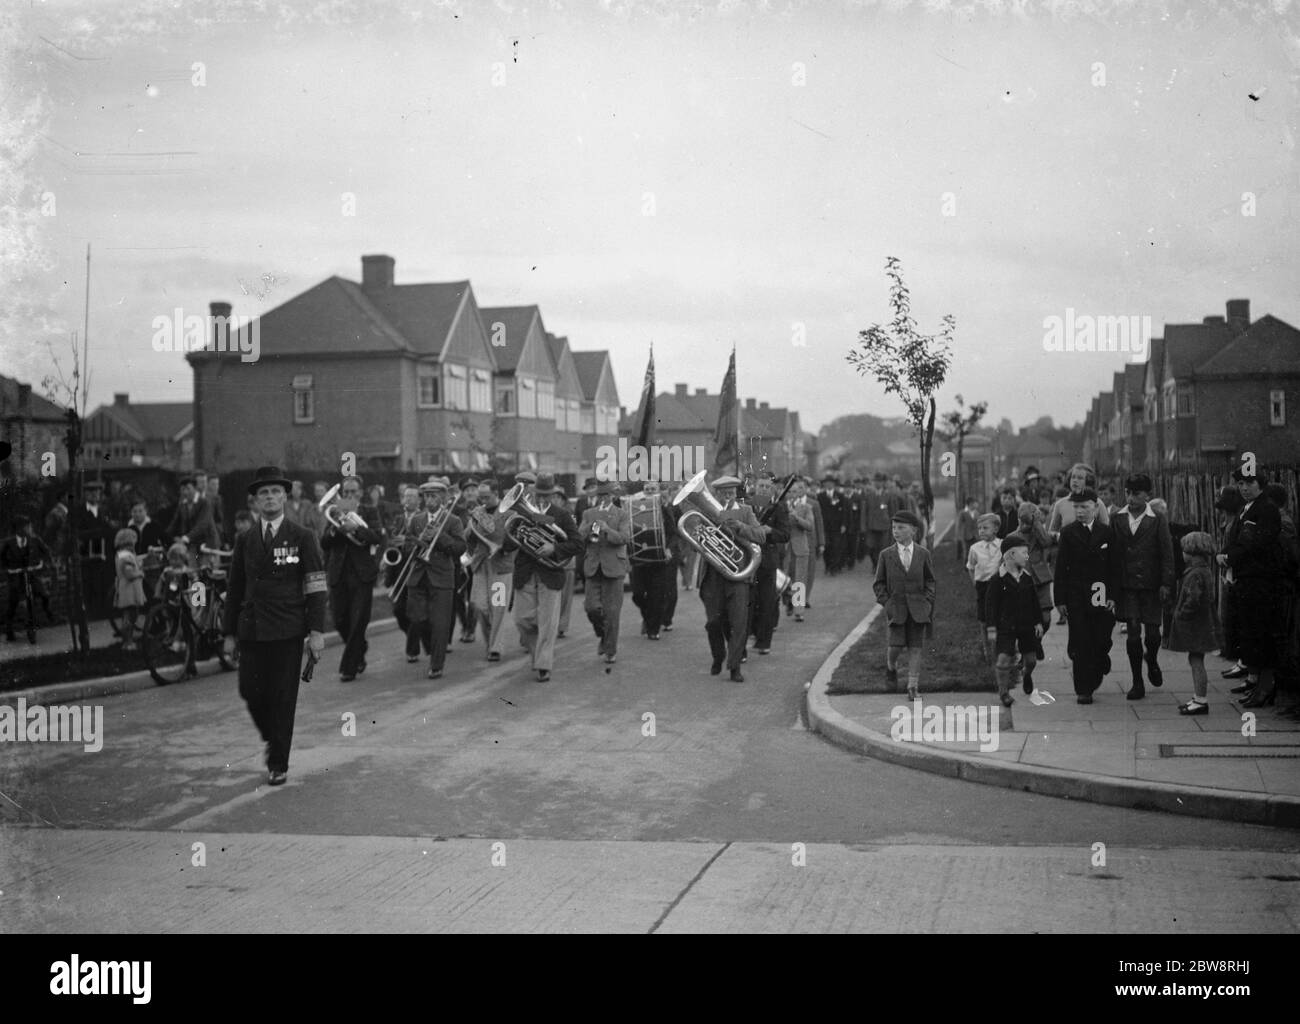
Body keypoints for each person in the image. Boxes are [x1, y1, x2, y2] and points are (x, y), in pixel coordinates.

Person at [221, 466, 328, 787]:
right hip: (252, 629)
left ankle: (278, 761)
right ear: (255, 501)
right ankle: (272, 735)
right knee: (249, 691)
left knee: (283, 698)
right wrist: (228, 633)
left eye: (275, 492)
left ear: (285, 496)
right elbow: (235, 586)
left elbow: (316, 586)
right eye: (263, 493)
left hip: (287, 629)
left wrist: (317, 631)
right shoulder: (245, 540)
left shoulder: (302, 537)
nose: (270, 498)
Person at [1218, 468, 1283, 708]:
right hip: (1248, 580)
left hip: (1261, 581)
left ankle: (1266, 687)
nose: (1244, 488)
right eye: (1241, 484)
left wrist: (1227, 557)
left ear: (1261, 483)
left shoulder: (1265, 509)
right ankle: (1258, 685)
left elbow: (1256, 543)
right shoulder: (1249, 508)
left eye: (1249, 483)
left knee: (1261, 634)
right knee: (1251, 633)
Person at [510, 473, 583, 682]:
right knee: (522, 620)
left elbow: (578, 544)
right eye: (539, 494)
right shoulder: (522, 513)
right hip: (525, 573)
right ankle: (538, 656)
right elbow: (507, 543)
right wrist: (515, 529)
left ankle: (544, 665)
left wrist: (554, 547)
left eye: (546, 495)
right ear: (533, 493)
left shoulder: (562, 515)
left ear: (552, 494)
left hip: (550, 574)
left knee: (548, 623)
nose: (542, 499)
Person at [1053, 487, 1120, 704]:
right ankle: (1084, 689)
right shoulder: (1069, 532)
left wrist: (1113, 595)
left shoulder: (1106, 532)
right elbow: (1061, 567)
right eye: (1076, 507)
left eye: (1085, 506)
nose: (1080, 511)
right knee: (1081, 639)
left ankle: (1101, 657)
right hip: (1076, 593)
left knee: (1100, 634)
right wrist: (1060, 600)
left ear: (1095, 506)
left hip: (1099, 591)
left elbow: (1114, 566)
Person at [1112, 473, 1175, 700]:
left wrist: (1166, 582)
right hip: (1127, 586)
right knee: (1132, 634)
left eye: (1136, 494)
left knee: (1152, 635)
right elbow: (1111, 553)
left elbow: (1167, 553)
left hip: (1151, 585)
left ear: (1147, 495)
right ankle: (1137, 681)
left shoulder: (1157, 519)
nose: (1130, 498)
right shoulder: (1116, 518)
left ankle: (1153, 659)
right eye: (1127, 493)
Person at [697, 475, 765, 682]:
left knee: (739, 623)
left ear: (736, 492)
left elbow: (761, 536)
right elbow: (696, 537)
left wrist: (740, 528)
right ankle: (718, 656)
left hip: (738, 575)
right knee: (713, 623)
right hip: (714, 576)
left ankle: (735, 667)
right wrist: (703, 534)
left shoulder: (745, 511)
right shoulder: (706, 512)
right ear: (716, 493)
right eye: (724, 492)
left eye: (731, 492)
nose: (728, 495)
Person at [401, 478, 466, 680]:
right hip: (419, 576)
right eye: (427, 496)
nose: (429, 500)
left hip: (442, 577)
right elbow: (407, 547)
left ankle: (436, 665)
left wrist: (440, 536)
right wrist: (419, 544)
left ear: (443, 498)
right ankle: (430, 649)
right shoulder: (417, 520)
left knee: (440, 623)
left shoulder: (453, 521)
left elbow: (460, 548)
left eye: (434, 496)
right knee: (417, 618)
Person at [320, 476, 383, 682]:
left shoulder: (369, 510)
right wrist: (336, 529)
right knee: (339, 619)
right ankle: (359, 649)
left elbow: (377, 537)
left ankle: (349, 668)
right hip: (338, 572)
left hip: (362, 573)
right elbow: (324, 542)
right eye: (345, 492)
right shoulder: (335, 511)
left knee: (358, 621)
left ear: (361, 492)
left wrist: (355, 528)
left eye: (352, 491)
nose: (348, 495)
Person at [872, 509, 936, 701]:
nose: (896, 531)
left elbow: (930, 580)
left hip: (918, 609)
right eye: (893, 528)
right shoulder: (886, 555)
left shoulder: (923, 554)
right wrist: (887, 603)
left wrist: (927, 600)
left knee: (916, 647)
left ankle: (912, 686)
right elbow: (879, 583)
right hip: (896, 608)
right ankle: (891, 666)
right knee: (896, 645)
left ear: (913, 530)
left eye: (901, 528)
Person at [1168, 531, 1222, 716]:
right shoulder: (1203, 570)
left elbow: (1193, 598)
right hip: (1202, 622)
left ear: (1191, 553)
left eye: (1184, 551)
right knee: (1195, 659)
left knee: (1196, 660)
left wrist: (1182, 614)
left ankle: (1201, 699)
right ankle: (1198, 697)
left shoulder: (1194, 574)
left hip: (1196, 624)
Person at [983, 532, 1041, 706]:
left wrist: (1038, 622)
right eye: (1024, 553)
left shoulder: (1027, 577)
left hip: (1026, 625)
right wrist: (991, 628)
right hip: (1005, 626)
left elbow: (1034, 602)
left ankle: (1026, 673)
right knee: (1003, 660)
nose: (1027, 556)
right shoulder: (997, 579)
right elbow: (990, 606)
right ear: (1011, 554)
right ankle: (1004, 693)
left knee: (1031, 660)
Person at [579, 480, 631, 665]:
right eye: (599, 495)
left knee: (612, 612)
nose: (602, 498)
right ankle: (603, 635)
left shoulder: (621, 514)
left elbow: (625, 538)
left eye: (606, 495)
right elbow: (580, 537)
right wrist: (590, 525)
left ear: (612, 497)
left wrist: (607, 529)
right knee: (591, 607)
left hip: (614, 568)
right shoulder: (589, 513)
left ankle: (610, 650)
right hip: (593, 567)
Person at [465, 480, 514, 662]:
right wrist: (470, 531)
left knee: (498, 608)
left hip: (501, 567)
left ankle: (495, 648)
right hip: (480, 566)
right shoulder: (477, 513)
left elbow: (498, 535)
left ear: (496, 493)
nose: (483, 501)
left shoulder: (509, 513)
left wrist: (481, 518)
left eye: (487, 497)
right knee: (479, 606)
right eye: (481, 497)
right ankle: (491, 643)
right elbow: (467, 539)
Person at [748, 472, 791, 655]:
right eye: (761, 486)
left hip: (767, 560)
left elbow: (785, 534)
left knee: (767, 602)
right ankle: (751, 632)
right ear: (755, 487)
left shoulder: (779, 507)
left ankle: (764, 642)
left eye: (767, 486)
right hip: (749, 560)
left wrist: (770, 530)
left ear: (772, 488)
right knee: (750, 600)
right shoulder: (748, 505)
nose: (764, 489)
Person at [629, 481, 675, 640]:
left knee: (657, 596)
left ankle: (653, 630)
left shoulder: (663, 507)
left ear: (658, 491)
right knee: (637, 595)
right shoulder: (634, 506)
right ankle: (649, 618)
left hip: (658, 559)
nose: (649, 491)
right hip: (639, 559)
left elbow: (672, 531)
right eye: (646, 489)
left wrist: (667, 548)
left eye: (653, 489)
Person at [3, 516, 54, 641]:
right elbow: (2, 558)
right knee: (13, 602)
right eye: (28, 526)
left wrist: (45, 564)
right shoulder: (9, 543)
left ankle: (47, 610)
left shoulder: (35, 540)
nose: (30, 529)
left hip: (32, 574)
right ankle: (9, 629)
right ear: (19, 529)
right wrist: (7, 569)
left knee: (44, 594)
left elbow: (47, 552)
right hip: (16, 575)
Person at [966, 512, 1002, 664]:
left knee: (998, 616)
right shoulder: (975, 548)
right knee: (984, 619)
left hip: (999, 586)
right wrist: (975, 582)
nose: (981, 531)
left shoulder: (1003, 545)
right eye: (979, 528)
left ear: (995, 529)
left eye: (985, 528)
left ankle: (999, 648)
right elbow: (970, 567)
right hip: (982, 586)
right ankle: (988, 652)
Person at [75, 479, 115, 617]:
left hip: (104, 554)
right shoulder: (79, 511)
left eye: (97, 493)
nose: (94, 496)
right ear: (85, 495)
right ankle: (90, 612)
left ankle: (103, 611)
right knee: (89, 583)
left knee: (104, 581)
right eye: (90, 493)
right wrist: (97, 533)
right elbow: (76, 532)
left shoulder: (104, 510)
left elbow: (109, 530)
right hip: (87, 554)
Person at [783, 478, 815, 622]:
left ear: (799, 493)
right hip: (784, 549)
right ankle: (789, 601)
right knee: (784, 579)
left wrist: (796, 518)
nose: (792, 494)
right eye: (789, 491)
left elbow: (809, 526)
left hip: (800, 548)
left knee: (799, 580)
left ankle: (799, 610)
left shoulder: (806, 507)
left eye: (795, 491)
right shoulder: (781, 506)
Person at [167, 475, 219, 557]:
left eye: (188, 488)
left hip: (207, 545)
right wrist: (167, 536)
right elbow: (174, 524)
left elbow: (202, 524)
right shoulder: (182, 505)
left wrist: (187, 537)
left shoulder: (204, 503)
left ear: (195, 488)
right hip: (192, 546)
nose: (185, 492)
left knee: (206, 568)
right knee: (192, 569)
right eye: (183, 489)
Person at [112, 527, 145, 651]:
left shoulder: (122, 555)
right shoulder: (126, 556)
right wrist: (140, 573)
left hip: (126, 588)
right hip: (129, 590)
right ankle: (128, 642)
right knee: (130, 616)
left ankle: (128, 641)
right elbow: (129, 573)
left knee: (130, 615)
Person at [864, 473, 894, 571]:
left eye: (880, 482)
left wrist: (893, 524)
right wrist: (864, 525)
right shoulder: (869, 495)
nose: (878, 483)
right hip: (871, 525)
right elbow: (865, 511)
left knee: (883, 547)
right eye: (876, 481)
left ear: (883, 483)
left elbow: (892, 511)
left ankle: (880, 567)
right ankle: (874, 563)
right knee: (871, 547)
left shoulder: (888, 495)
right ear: (873, 483)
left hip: (884, 526)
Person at [817, 477, 844, 575]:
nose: (829, 485)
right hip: (824, 526)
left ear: (834, 484)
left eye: (831, 483)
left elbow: (844, 511)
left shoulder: (839, 496)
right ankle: (827, 565)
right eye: (827, 483)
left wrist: (844, 524)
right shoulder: (820, 496)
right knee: (826, 546)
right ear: (824, 485)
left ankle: (834, 568)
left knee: (836, 547)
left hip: (836, 526)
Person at [956, 495, 980, 565]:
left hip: (975, 535)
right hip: (966, 535)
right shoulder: (963, 513)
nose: (976, 504)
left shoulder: (976, 512)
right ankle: (966, 566)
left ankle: (974, 564)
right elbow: (959, 525)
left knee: (975, 550)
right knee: (967, 551)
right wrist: (959, 535)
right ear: (970, 504)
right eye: (974, 503)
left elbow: (978, 523)